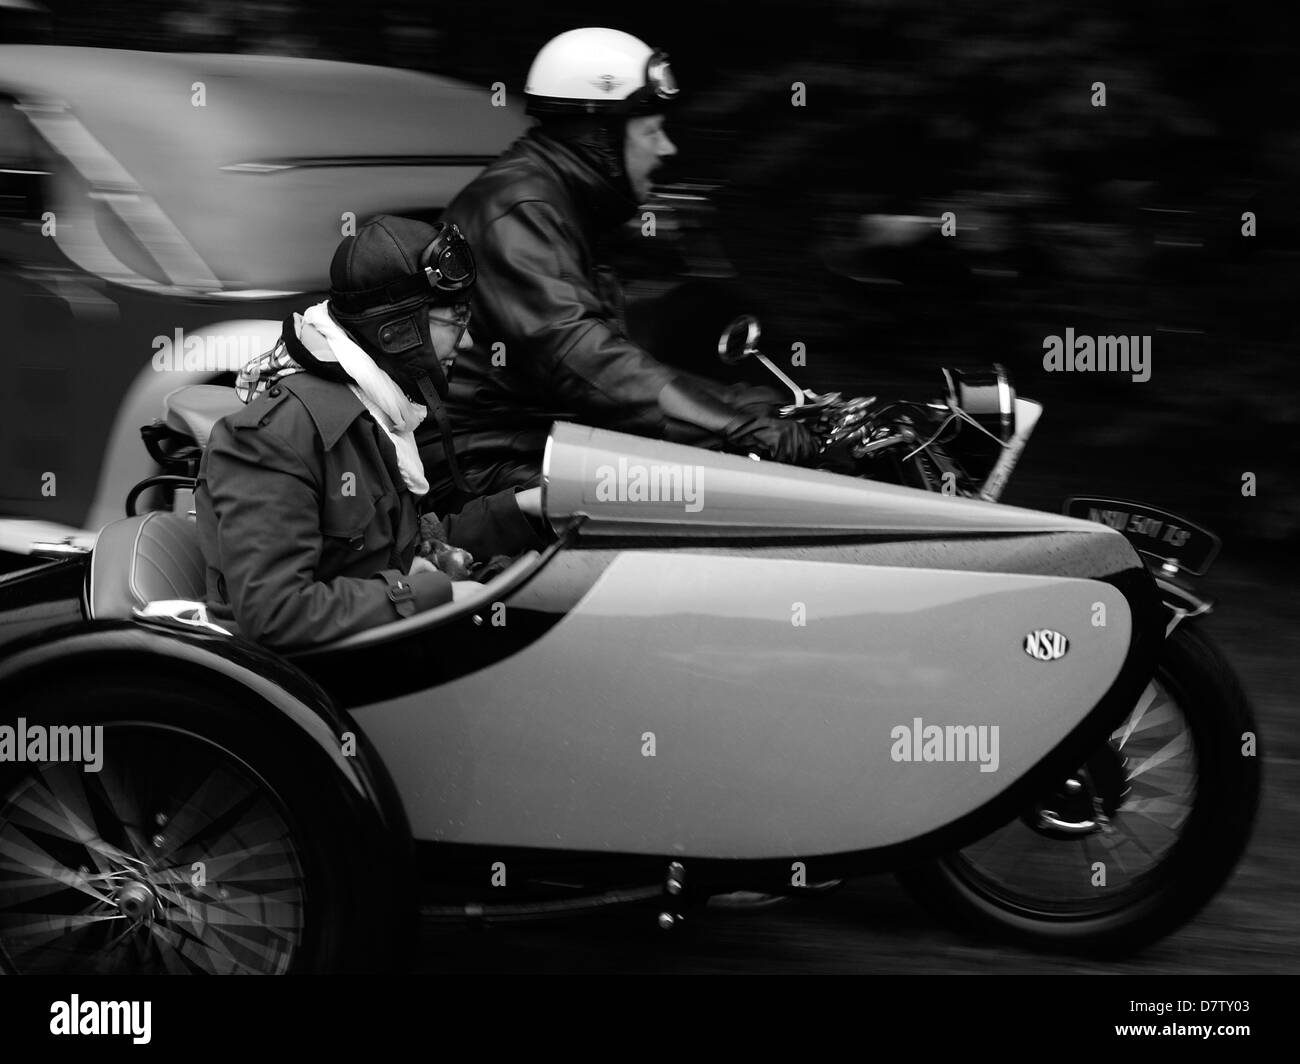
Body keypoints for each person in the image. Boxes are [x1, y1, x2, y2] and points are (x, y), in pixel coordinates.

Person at [422, 27, 817, 513]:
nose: (667, 148)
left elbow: (616, 362)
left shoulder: (559, 204)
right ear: (600, 136)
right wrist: (729, 424)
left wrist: (737, 402)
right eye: (651, 131)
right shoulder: (520, 207)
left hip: (529, 444)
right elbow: (582, 356)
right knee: (692, 496)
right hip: (478, 469)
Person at [195, 215, 547, 649]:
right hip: (334, 683)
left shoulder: (377, 411)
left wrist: (528, 508)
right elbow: (276, 613)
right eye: (455, 319)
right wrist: (437, 593)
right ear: (399, 329)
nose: (470, 342)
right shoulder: (276, 438)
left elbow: (404, 551)